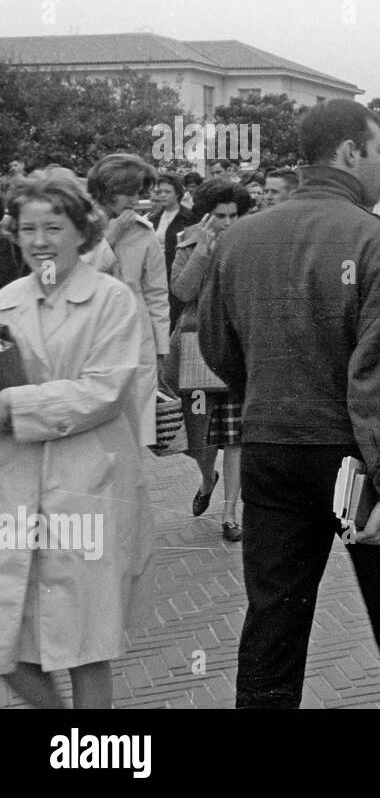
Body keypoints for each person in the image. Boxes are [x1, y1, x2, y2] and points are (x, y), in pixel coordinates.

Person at [199, 98, 380, 709]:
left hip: (270, 449)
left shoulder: (240, 237)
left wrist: (264, 391)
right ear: (349, 152)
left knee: (273, 620)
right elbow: (378, 378)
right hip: (351, 463)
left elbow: (214, 343)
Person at [0, 178, 154, 709]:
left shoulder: (110, 299)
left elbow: (104, 390)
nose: (39, 240)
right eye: (27, 228)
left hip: (88, 480)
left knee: (85, 643)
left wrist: (13, 408)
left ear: (81, 231)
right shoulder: (5, 302)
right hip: (14, 484)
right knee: (8, 642)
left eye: (52, 227)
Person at [168, 178, 254, 542]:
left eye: (234, 215)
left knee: (235, 436)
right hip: (196, 346)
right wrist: (203, 251)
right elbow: (182, 290)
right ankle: (207, 479)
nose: (228, 222)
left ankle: (231, 512)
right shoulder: (186, 244)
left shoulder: (250, 242)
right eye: (220, 216)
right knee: (200, 436)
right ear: (206, 216)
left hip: (236, 347)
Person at [85, 153, 169, 447]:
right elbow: (59, 278)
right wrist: (109, 240)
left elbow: (157, 294)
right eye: (127, 192)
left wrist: (160, 348)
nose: (134, 200)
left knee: (135, 432)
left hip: (136, 338)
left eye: (138, 192)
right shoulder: (77, 228)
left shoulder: (145, 233)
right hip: (90, 335)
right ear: (105, 190)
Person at [149, 170, 199, 330]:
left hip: (177, 274)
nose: (162, 195)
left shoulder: (190, 217)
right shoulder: (153, 218)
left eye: (167, 192)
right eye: (159, 192)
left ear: (177, 193)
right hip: (156, 274)